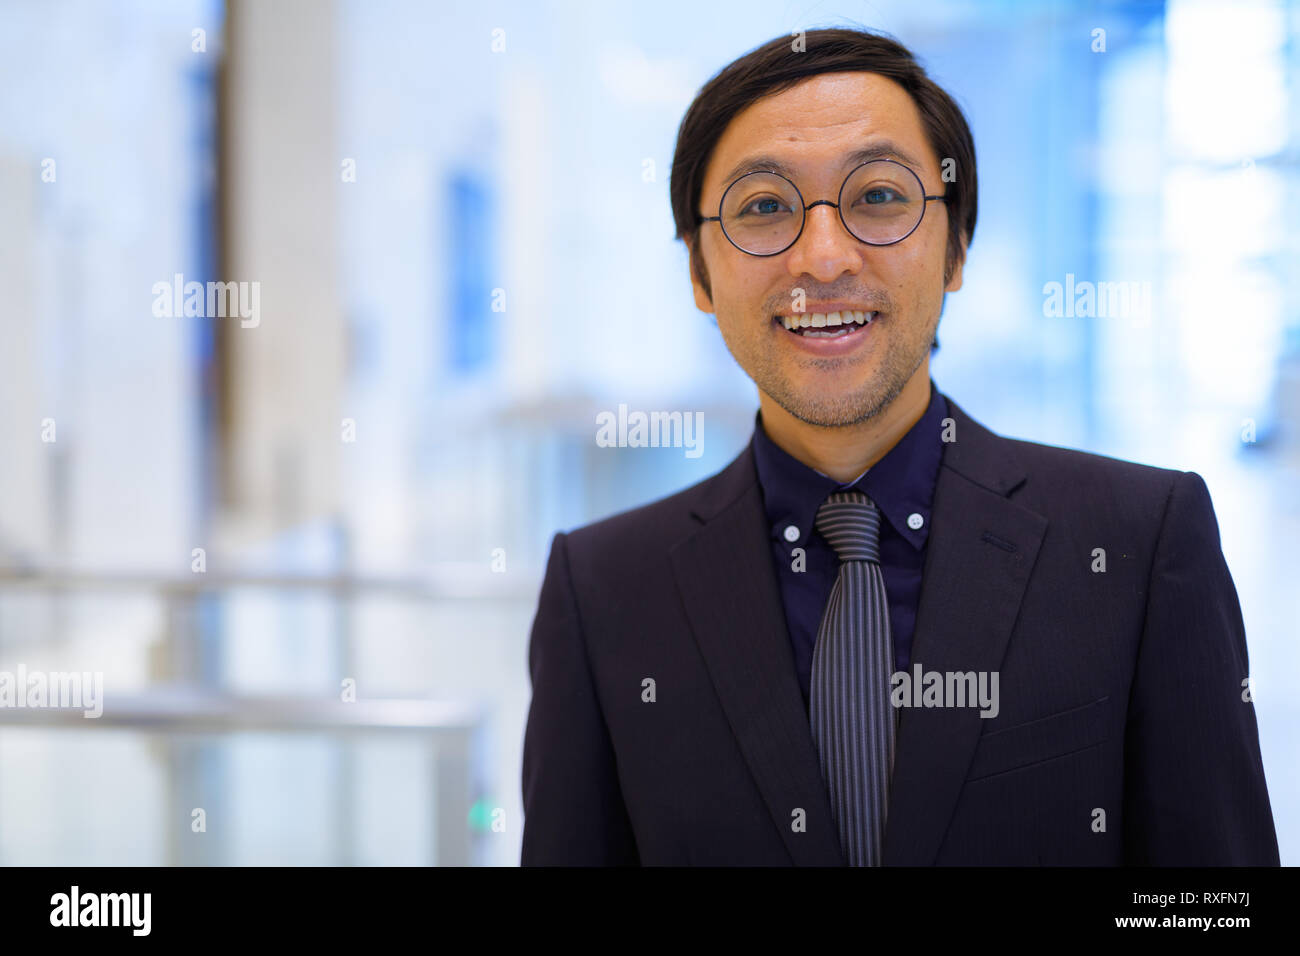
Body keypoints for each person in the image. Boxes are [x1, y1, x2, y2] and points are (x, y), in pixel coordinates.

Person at [520, 27, 1279, 865]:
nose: (824, 256)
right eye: (765, 207)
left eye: (878, 197)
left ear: (955, 248)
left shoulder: (1139, 540)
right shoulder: (603, 592)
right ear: (700, 275)